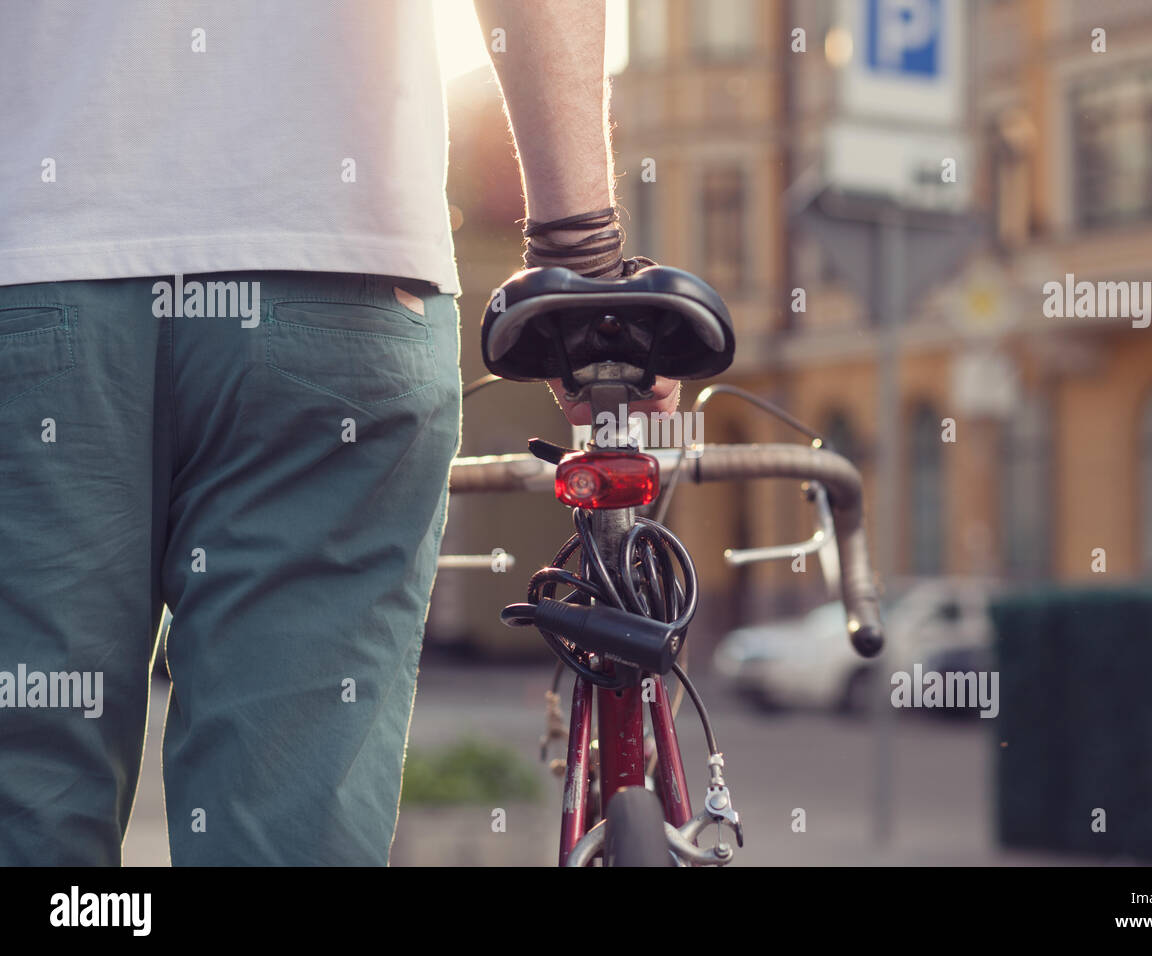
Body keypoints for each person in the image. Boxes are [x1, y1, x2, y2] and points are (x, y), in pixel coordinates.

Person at [0, 0, 676, 866]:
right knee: (288, 833)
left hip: (31, 268)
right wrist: (582, 254)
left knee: (24, 809)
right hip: (337, 267)